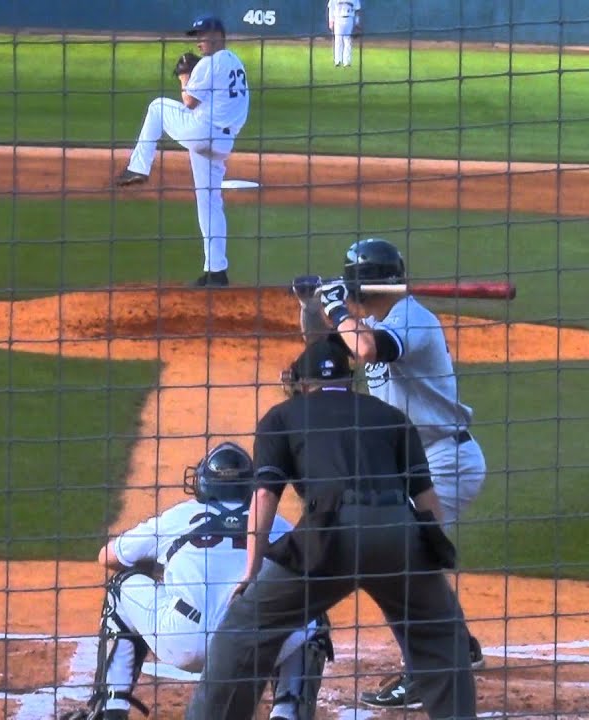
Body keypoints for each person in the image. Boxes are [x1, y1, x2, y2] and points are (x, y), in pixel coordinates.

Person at [184, 338, 478, 720]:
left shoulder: (282, 416)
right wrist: (427, 566)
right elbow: (426, 501)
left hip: (331, 534)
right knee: (442, 634)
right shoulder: (390, 415)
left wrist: (251, 572)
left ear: (303, 383)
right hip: (398, 530)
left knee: (245, 627)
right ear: (349, 379)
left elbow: (265, 496)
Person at [293, 237, 489, 709]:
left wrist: (338, 308)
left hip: (444, 460)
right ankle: (458, 644)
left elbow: (365, 350)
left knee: (395, 558)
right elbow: (323, 349)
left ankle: (426, 672)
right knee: (405, 557)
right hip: (412, 464)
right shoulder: (378, 320)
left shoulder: (410, 319)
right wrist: (312, 306)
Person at [62, 442, 333, 720]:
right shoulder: (276, 522)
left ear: (203, 482)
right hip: (253, 644)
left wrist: (161, 567)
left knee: (120, 586)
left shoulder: (179, 516)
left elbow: (108, 557)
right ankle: (287, 712)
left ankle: (110, 709)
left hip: (184, 640)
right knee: (310, 607)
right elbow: (312, 570)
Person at [115, 14, 249, 288]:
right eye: (197, 36)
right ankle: (216, 271)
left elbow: (188, 101)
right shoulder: (236, 62)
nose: (199, 41)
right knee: (210, 203)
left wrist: (184, 76)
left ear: (218, 35)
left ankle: (138, 168)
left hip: (203, 134)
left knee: (157, 108)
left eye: (203, 35)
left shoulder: (211, 63)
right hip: (223, 143)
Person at [327, 0, 361, 67]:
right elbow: (331, 8)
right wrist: (331, 21)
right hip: (338, 18)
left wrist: (357, 22)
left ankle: (347, 62)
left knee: (348, 40)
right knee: (338, 40)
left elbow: (357, 10)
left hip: (349, 18)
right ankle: (337, 61)